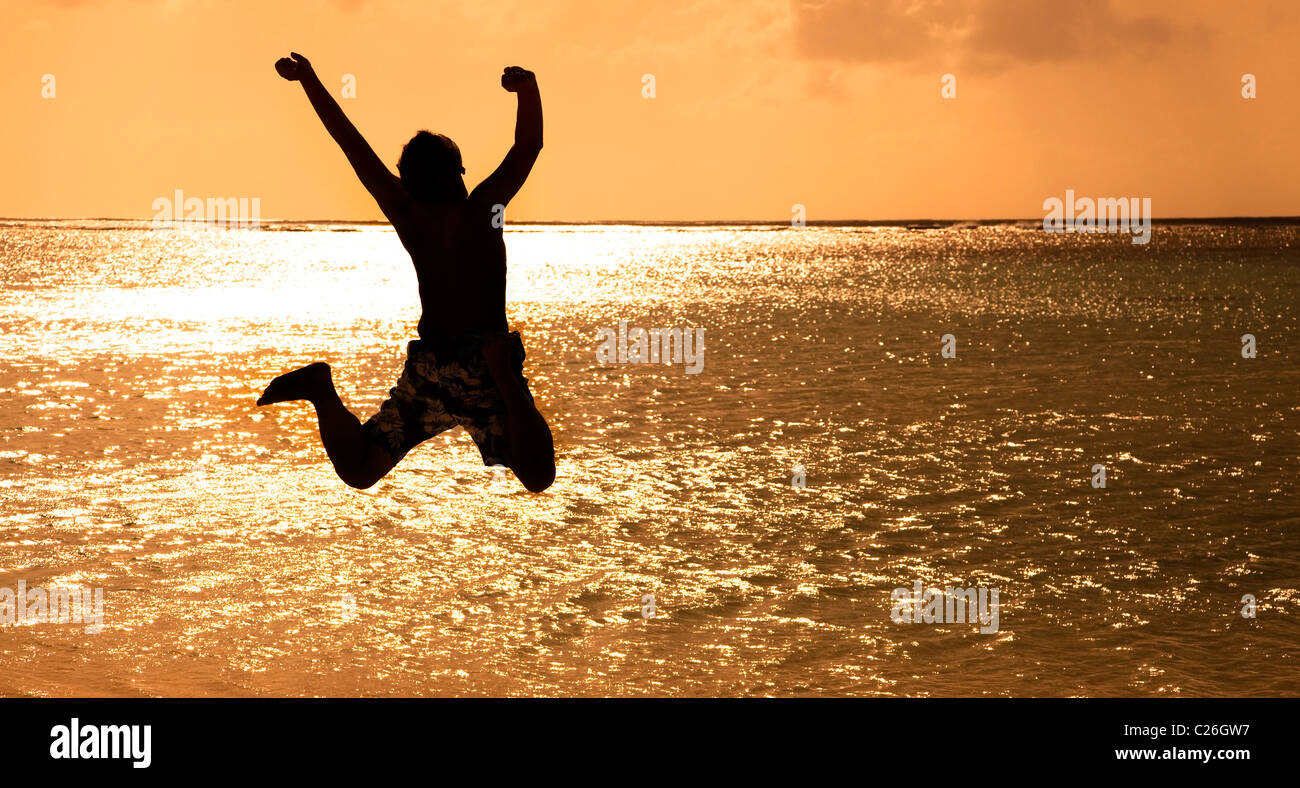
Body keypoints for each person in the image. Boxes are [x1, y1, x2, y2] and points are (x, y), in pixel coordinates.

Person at [257, 53, 555, 493]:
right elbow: (528, 147)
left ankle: (322, 391)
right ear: (459, 173)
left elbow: (351, 144)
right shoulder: (480, 210)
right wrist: (526, 88)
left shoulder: (417, 213)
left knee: (360, 470)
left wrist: (309, 79)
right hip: (482, 366)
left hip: (440, 367)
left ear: (411, 180)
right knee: (537, 476)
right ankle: (321, 391)